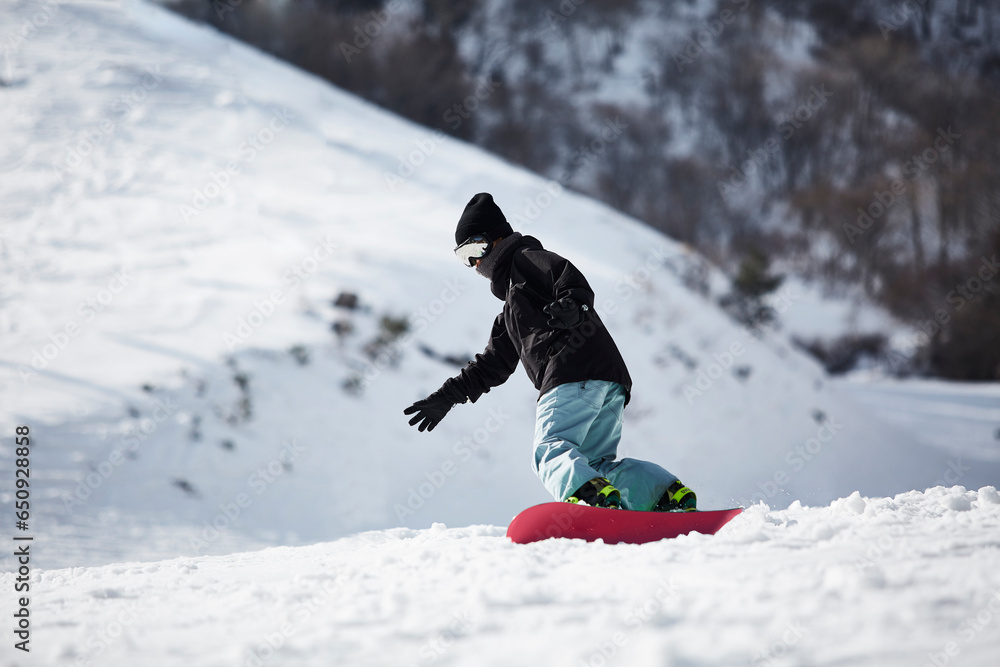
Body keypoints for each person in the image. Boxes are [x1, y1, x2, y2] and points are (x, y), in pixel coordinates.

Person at [403, 193, 696, 511]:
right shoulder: (510, 311)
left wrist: (574, 305)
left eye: (475, 250)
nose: (474, 264)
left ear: (496, 238)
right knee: (594, 464)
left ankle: (589, 499)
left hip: (570, 373)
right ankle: (664, 495)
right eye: (464, 257)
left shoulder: (526, 260)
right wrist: (447, 396)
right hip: (609, 381)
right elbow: (492, 364)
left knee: (549, 448)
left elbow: (567, 277)